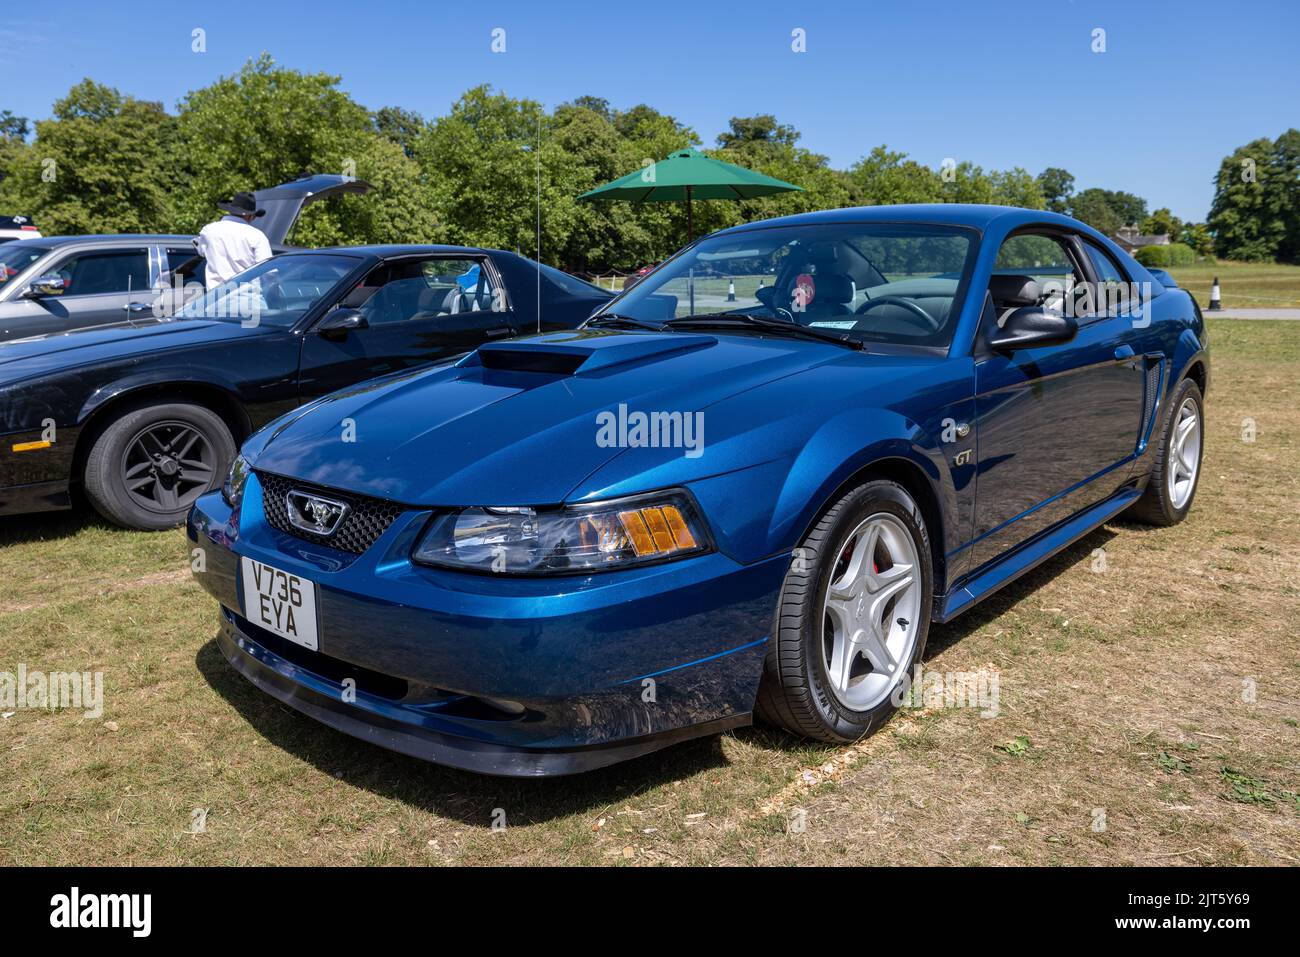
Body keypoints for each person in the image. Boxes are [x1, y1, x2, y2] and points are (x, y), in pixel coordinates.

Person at [194, 192, 273, 291]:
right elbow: (267, 271)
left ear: (230, 211)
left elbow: (201, 252)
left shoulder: (208, 231)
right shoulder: (257, 236)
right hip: (246, 297)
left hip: (215, 298)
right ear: (250, 216)